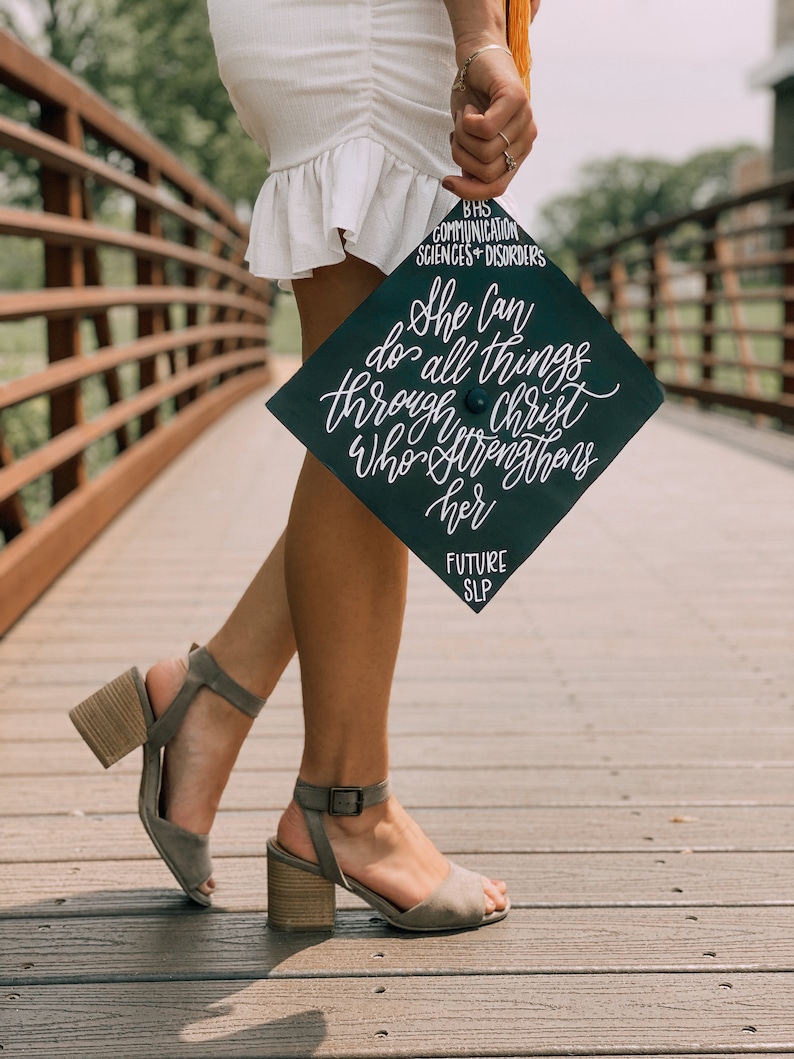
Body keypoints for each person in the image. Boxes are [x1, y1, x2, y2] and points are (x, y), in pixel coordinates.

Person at [70, 0, 539, 932]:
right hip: (381, 30)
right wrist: (480, 34)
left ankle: (209, 695)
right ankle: (345, 807)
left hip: (336, 30)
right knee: (393, 423)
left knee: (386, 424)